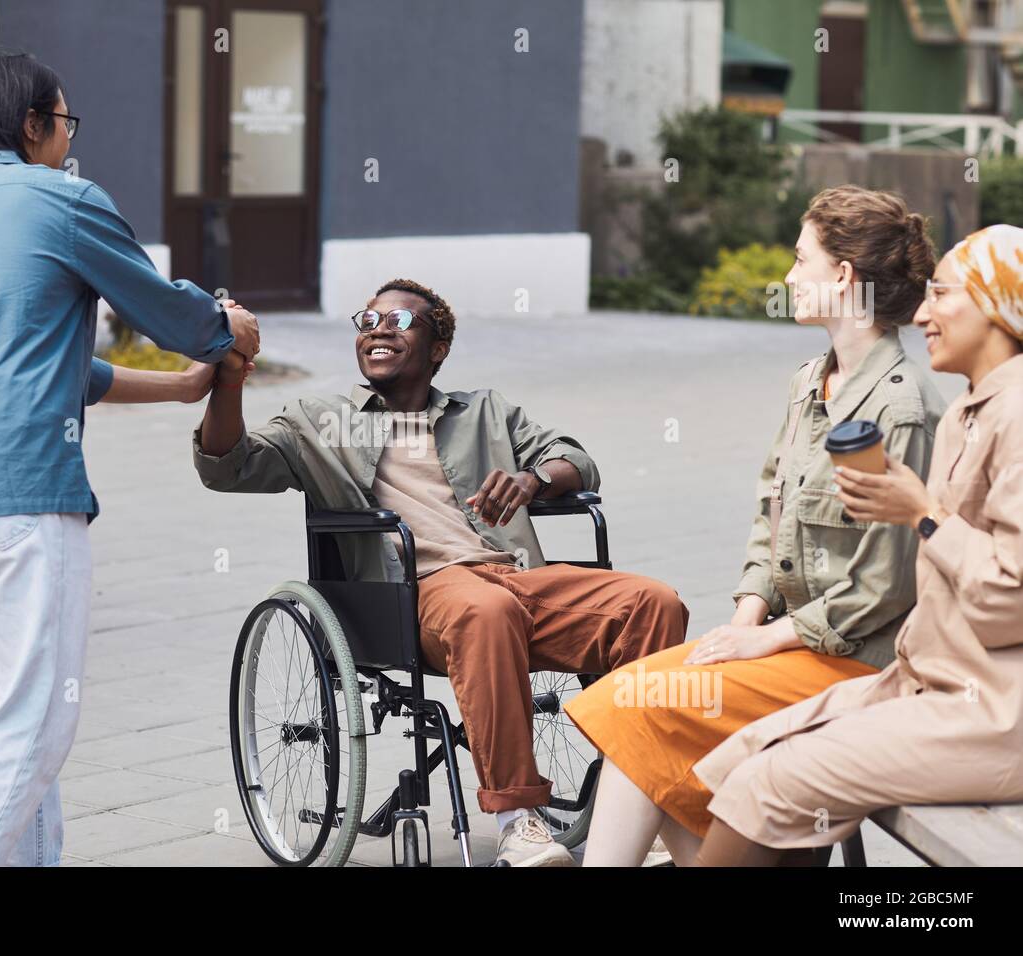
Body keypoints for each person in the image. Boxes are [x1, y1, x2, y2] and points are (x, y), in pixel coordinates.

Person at [196, 277, 689, 866]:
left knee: (654, 602)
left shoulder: (484, 412)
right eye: (367, 321)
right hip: (414, 594)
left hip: (511, 572)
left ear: (438, 349)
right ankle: (518, 817)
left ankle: (636, 802)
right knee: (487, 610)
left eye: (400, 322)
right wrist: (229, 380)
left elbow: (577, 460)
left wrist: (533, 479)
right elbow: (228, 467)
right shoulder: (321, 419)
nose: (378, 329)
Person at [0, 53, 258, 866]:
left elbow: (57, 366)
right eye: (64, 124)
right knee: (29, 729)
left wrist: (177, 393)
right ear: (32, 125)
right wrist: (227, 328)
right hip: (28, 487)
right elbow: (172, 312)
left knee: (6, 710)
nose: (69, 143)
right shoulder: (60, 201)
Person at [565, 186, 945, 866]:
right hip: (796, 646)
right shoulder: (809, 382)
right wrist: (745, 618)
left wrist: (765, 641)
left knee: (642, 701)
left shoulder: (902, 408)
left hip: (858, 662)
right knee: (634, 710)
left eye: (803, 261)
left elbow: (885, 586)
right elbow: (772, 516)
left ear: (845, 278)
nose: (790, 277)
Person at [690, 223, 1023, 866]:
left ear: (998, 304)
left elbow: (1008, 601)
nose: (921, 313)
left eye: (943, 296)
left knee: (768, 781)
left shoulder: (1014, 417)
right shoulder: (967, 411)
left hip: (992, 713)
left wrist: (921, 513)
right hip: (927, 681)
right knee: (739, 759)